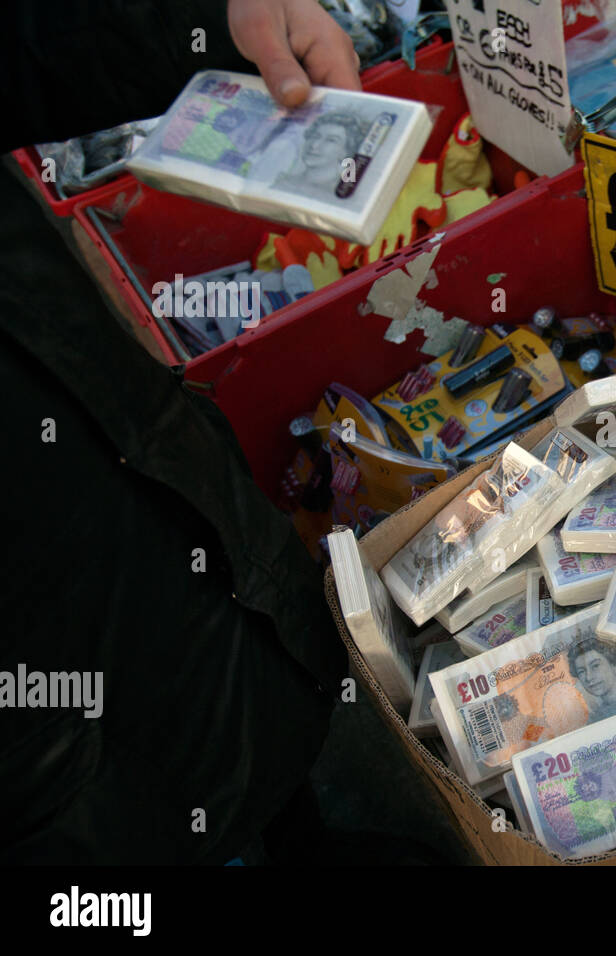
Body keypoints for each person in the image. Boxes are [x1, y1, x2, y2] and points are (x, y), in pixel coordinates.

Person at [0, 0, 366, 864]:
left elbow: (30, 46)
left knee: (255, 751)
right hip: (50, 799)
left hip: (120, 492)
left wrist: (203, 21)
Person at [567, 636, 616, 721]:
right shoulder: (594, 719)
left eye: (595, 666)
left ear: (614, 665)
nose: (588, 677)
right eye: (581, 672)